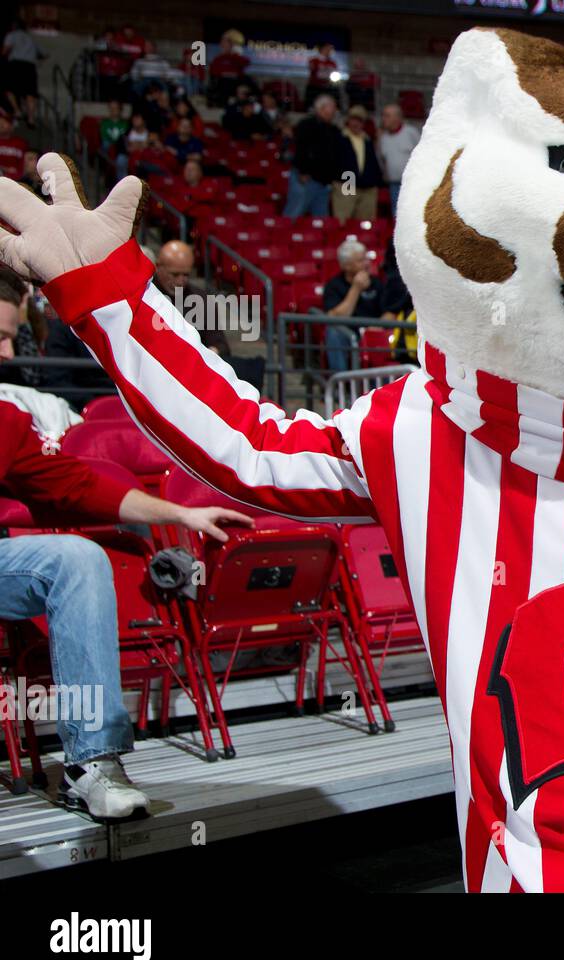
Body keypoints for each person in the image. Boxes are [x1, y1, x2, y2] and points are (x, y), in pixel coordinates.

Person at [0, 280, 253, 820]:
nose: (8, 351)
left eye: (9, 336)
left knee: (77, 557)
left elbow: (75, 487)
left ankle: (93, 764)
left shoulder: (4, 419)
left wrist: (181, 513)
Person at [322, 239, 382, 372]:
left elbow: (389, 312)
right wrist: (356, 289)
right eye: (361, 260)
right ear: (346, 266)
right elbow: (336, 317)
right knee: (334, 333)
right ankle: (341, 384)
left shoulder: (377, 283)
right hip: (348, 335)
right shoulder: (334, 286)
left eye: (366, 258)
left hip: (373, 334)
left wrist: (379, 326)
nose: (367, 264)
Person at [283, 94, 339, 218]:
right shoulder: (306, 125)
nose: (335, 111)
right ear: (321, 108)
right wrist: (303, 171)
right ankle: (283, 236)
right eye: (332, 107)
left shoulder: (333, 129)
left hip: (324, 181)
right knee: (294, 212)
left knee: (320, 219)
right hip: (306, 178)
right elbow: (301, 149)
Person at [332, 105, 381, 220]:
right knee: (342, 218)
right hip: (347, 182)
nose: (355, 123)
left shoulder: (367, 140)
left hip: (366, 185)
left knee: (365, 222)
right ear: (348, 120)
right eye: (353, 119)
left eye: (359, 120)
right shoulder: (339, 138)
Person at [377, 103, 419, 212]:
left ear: (397, 117)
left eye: (387, 116)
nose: (383, 119)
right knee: (396, 215)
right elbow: (383, 160)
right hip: (394, 185)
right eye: (383, 116)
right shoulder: (383, 138)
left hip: (411, 184)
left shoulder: (411, 132)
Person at [2, 17, 43, 124]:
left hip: (16, 65)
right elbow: (42, 54)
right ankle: (31, 119)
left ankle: (17, 111)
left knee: (9, 89)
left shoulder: (12, 35)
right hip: (30, 66)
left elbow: (5, 50)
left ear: (14, 26)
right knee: (30, 93)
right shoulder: (31, 38)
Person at [0, 110, 27, 181]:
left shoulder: (21, 143)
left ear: (12, 126)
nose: (1, 124)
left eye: (5, 122)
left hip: (18, 181)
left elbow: (25, 164)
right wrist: (5, 169)